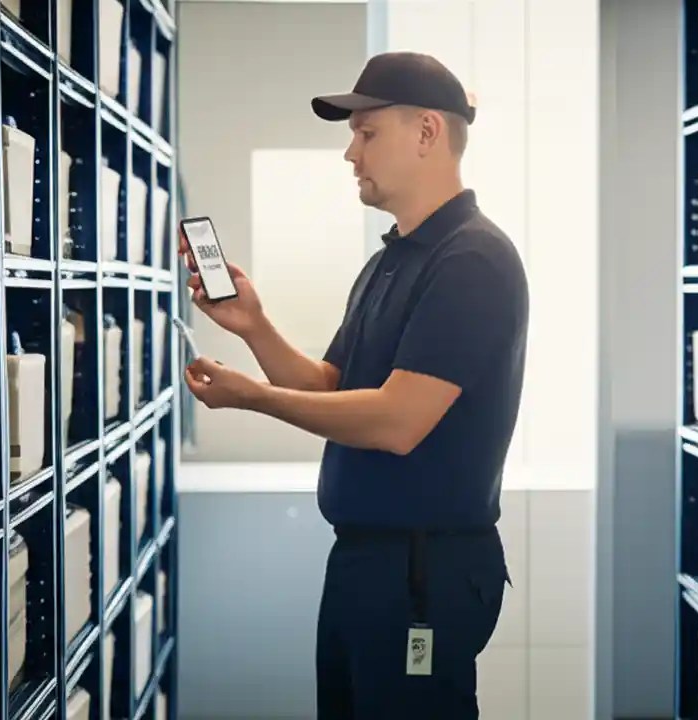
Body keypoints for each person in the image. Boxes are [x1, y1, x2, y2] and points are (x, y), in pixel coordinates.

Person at [178, 51, 529, 719]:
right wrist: (254, 326)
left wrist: (252, 396)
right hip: (366, 566)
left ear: (427, 132)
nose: (350, 153)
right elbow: (333, 385)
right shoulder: (390, 260)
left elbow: (397, 422)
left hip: (421, 574)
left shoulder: (473, 262)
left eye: (366, 133)